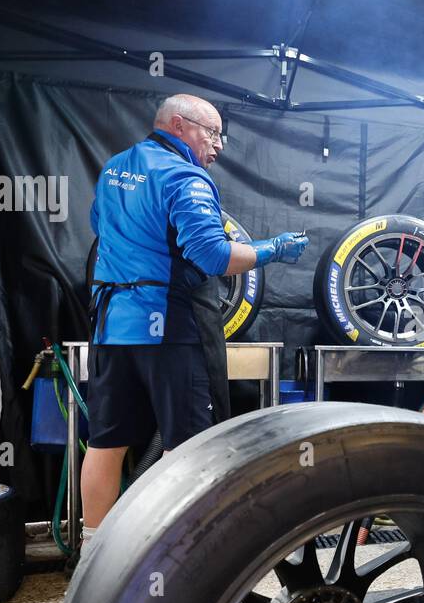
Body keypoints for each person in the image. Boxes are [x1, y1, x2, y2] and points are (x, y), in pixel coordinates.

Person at [80, 93, 308, 552]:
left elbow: (99, 227)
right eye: (213, 132)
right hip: (170, 327)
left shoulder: (113, 168)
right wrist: (274, 249)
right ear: (180, 125)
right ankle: (184, 560)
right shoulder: (185, 176)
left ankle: (95, 556)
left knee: (107, 443)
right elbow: (215, 255)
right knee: (190, 448)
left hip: (112, 327)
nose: (219, 145)